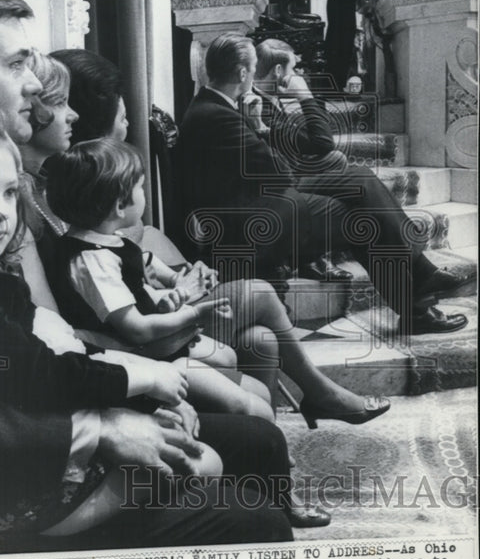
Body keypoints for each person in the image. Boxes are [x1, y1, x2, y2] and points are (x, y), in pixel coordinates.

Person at [0, 0, 299, 557]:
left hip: (57, 401)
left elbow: (37, 335)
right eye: (16, 64)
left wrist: (130, 392)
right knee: (246, 509)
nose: (36, 86)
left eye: (8, 193)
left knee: (250, 441)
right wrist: (106, 418)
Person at [0, 105, 228, 547]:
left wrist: (141, 394)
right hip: (6, 481)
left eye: (10, 193)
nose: (1, 212)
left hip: (28, 434)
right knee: (203, 464)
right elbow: (40, 375)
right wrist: (144, 379)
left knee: (198, 455)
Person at [45, 47, 396, 428]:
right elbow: (108, 301)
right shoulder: (89, 196)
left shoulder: (91, 193)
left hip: (164, 305)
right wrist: (179, 295)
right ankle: (319, 393)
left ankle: (267, 444)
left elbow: (138, 253)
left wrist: (175, 277)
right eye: (123, 117)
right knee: (263, 288)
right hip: (145, 339)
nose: (128, 126)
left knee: (262, 339)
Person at [177, 32, 470, 337]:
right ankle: (418, 298)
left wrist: (262, 129)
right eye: (251, 69)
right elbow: (280, 172)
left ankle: (420, 282)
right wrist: (259, 128)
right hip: (261, 215)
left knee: (361, 179)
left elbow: (287, 161)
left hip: (264, 199)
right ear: (241, 73)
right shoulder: (219, 116)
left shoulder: (214, 107)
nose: (253, 75)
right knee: (364, 218)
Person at [44, 137, 276, 421]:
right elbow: (137, 331)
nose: (144, 193)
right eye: (140, 187)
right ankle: (254, 435)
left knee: (253, 384)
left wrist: (177, 285)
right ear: (119, 205)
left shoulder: (110, 241)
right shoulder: (93, 261)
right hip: (149, 358)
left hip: (164, 347)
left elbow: (141, 272)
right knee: (251, 405)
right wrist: (193, 313)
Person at [253, 38, 353, 283]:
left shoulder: (270, 98)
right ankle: (310, 257)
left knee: (336, 160)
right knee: (337, 163)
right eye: (294, 69)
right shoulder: (259, 106)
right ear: (278, 71)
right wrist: (305, 96)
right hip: (276, 185)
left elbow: (315, 142)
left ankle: (316, 252)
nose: (297, 75)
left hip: (290, 168)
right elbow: (323, 142)